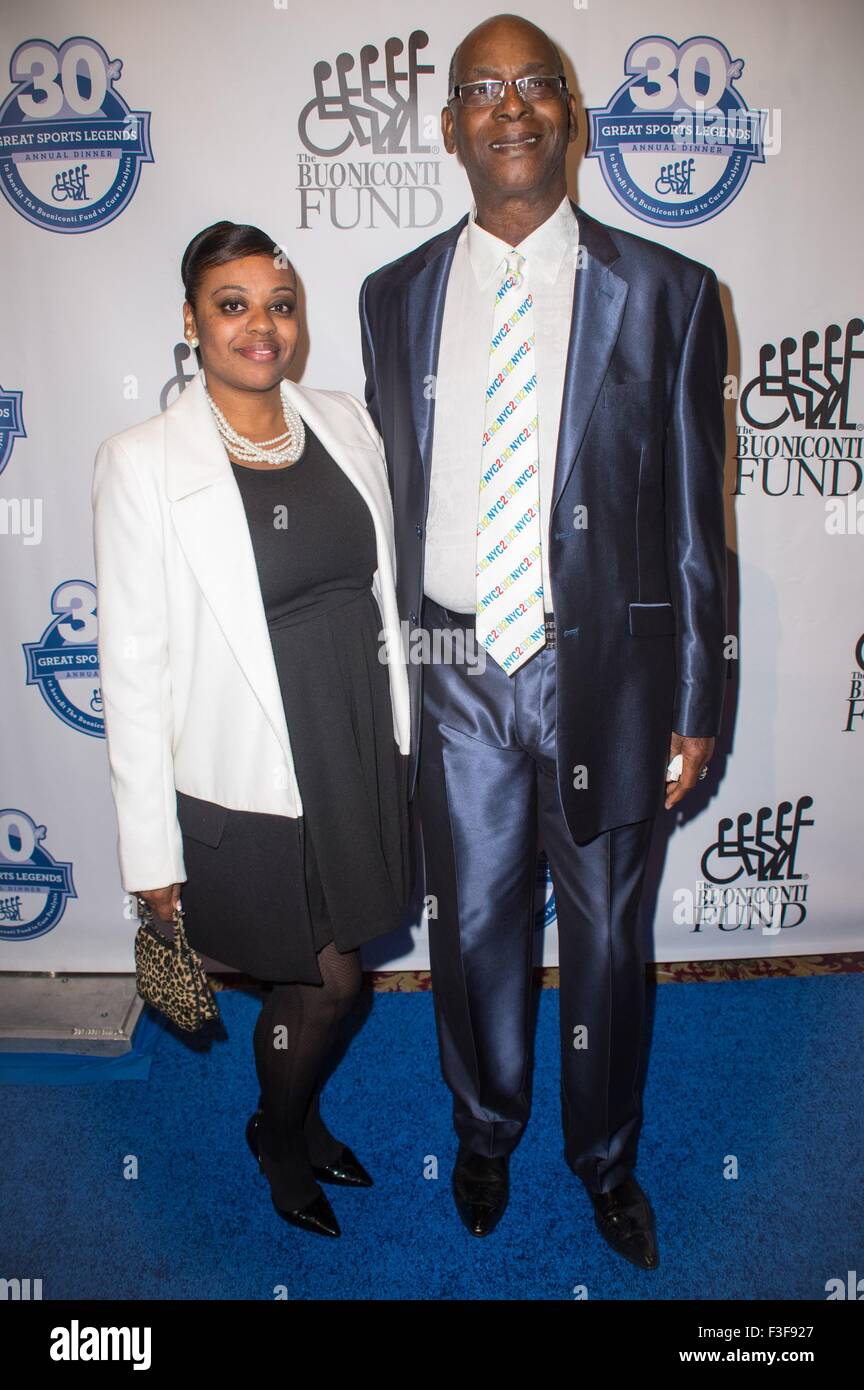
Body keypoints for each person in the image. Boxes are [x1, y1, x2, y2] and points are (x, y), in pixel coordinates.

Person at [359, 14, 727, 1267]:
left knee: (613, 937)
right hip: (456, 667)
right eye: (481, 91)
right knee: (472, 927)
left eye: (534, 87)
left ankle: (605, 1156)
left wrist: (695, 695)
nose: (509, 109)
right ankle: (483, 1127)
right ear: (451, 124)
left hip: (607, 679)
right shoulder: (392, 296)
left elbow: (696, 518)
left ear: (569, 113)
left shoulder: (671, 291)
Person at [92, 221, 411, 1239]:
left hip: (354, 745)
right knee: (327, 981)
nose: (260, 325)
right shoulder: (142, 462)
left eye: (278, 302)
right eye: (232, 305)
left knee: (338, 975)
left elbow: (381, 591)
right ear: (191, 322)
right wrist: (150, 854)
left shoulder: (343, 420)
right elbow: (131, 667)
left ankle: (294, 1116)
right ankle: (279, 1133)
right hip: (247, 772)